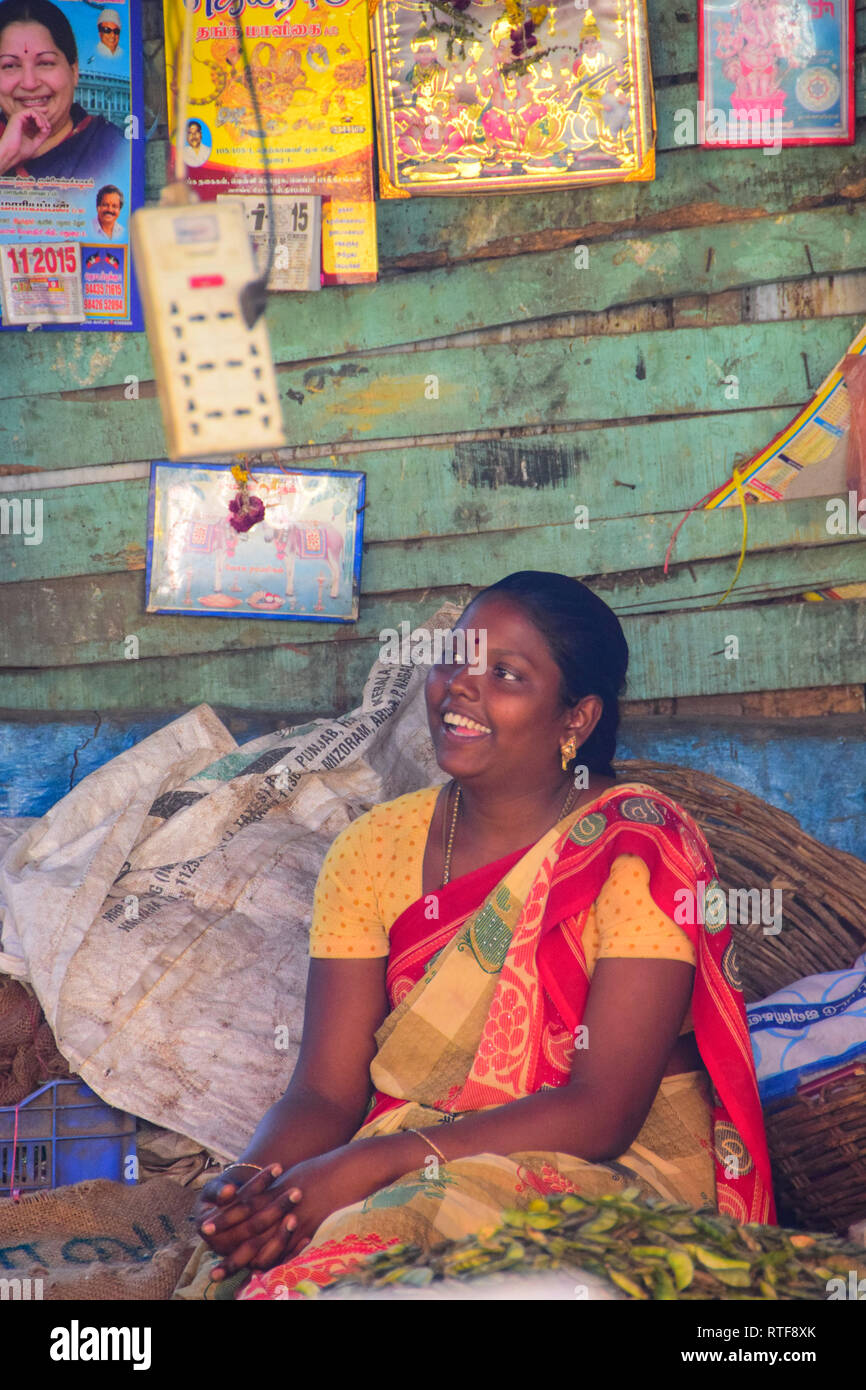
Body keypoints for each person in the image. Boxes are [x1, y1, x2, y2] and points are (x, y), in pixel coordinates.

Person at [175, 571, 775, 1301]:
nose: (461, 686)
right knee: (254, 1252)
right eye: (455, 659)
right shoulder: (371, 848)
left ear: (575, 719)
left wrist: (374, 1167)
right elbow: (325, 1093)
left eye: (506, 674)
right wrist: (258, 1181)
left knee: (392, 1237)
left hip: (607, 1171)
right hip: (404, 1157)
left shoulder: (639, 848)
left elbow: (603, 1110)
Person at [0, 0, 125, 179]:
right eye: (10, 65)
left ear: (74, 71)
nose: (29, 83)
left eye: (45, 63)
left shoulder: (113, 149)